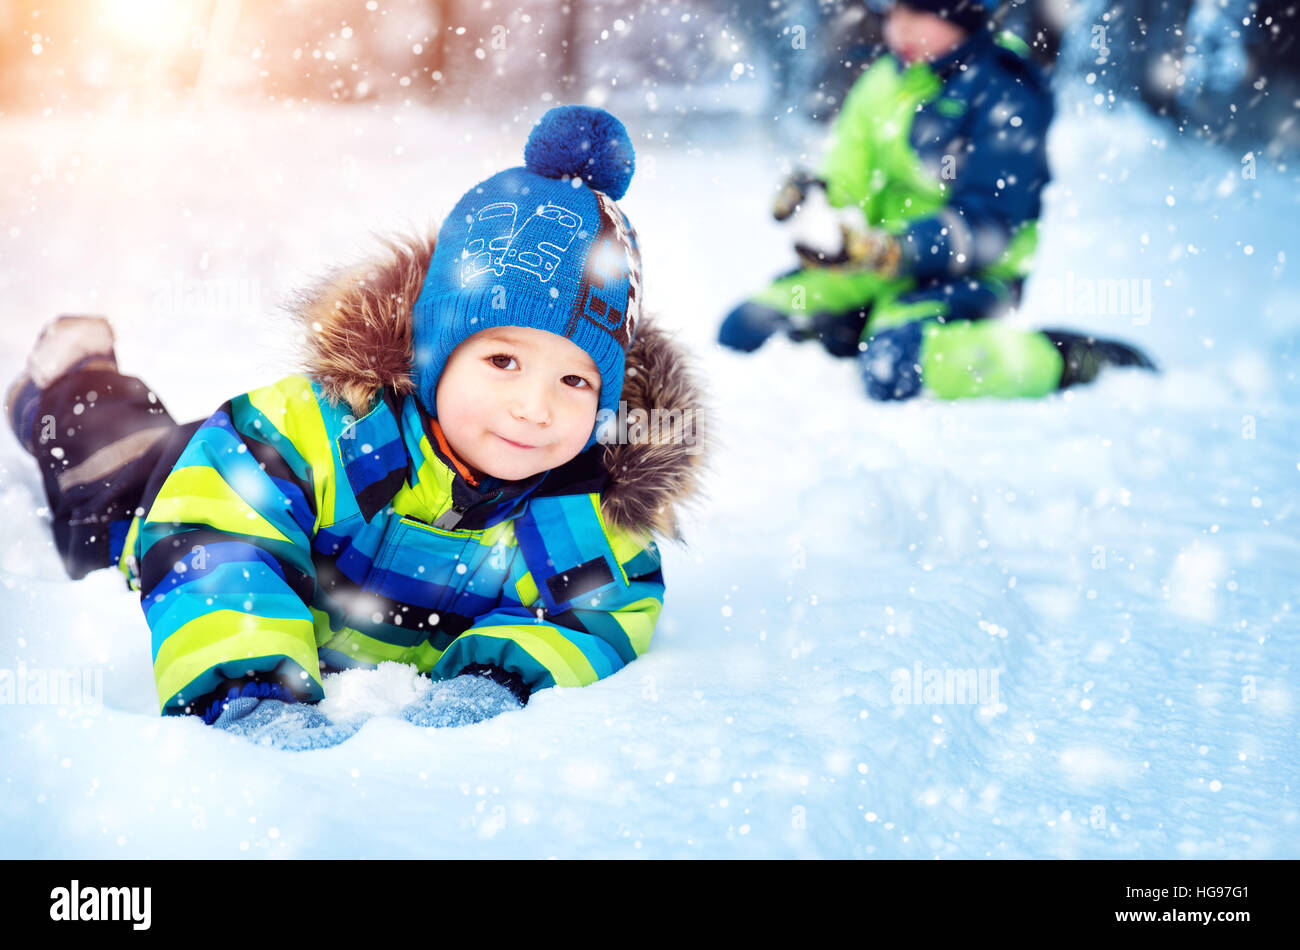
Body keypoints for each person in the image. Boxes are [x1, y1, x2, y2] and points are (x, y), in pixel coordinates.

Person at [4, 106, 705, 749]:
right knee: (97, 481)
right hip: (187, 487)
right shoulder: (325, 429)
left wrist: (497, 681)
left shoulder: (581, 507)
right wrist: (252, 691)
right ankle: (71, 379)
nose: (535, 407)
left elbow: (601, 612)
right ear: (434, 355)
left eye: (575, 380)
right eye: (501, 359)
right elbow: (214, 538)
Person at [718, 0, 1156, 399]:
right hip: (872, 266)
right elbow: (848, 176)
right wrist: (818, 202)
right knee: (747, 328)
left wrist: (899, 249)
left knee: (894, 368)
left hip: (967, 276)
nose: (897, 30)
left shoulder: (1005, 88)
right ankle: (861, 326)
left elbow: (990, 224)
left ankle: (1062, 358)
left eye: (914, 14)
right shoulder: (883, 81)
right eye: (891, 15)